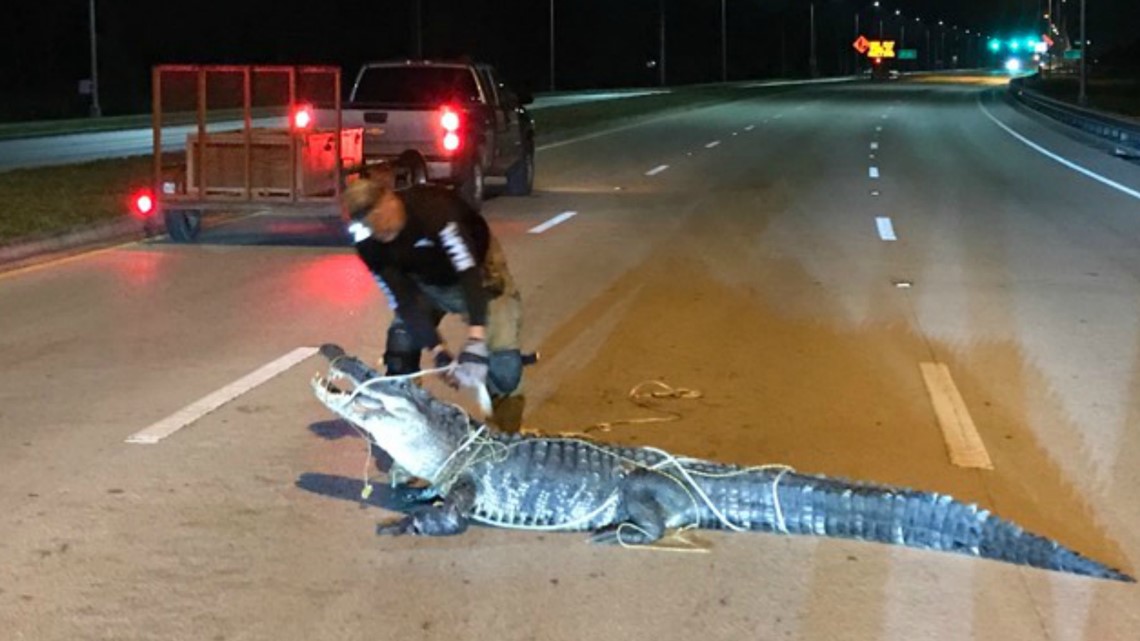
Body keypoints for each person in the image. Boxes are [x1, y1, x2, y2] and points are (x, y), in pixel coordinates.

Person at [341, 170, 527, 432]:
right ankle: (409, 429)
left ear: (391, 200)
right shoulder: (367, 241)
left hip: (479, 271)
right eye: (374, 228)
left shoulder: (435, 211)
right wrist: (438, 351)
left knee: (504, 365)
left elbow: (468, 273)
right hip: (425, 281)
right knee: (401, 344)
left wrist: (475, 340)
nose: (381, 232)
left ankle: (506, 438)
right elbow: (404, 301)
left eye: (383, 221)